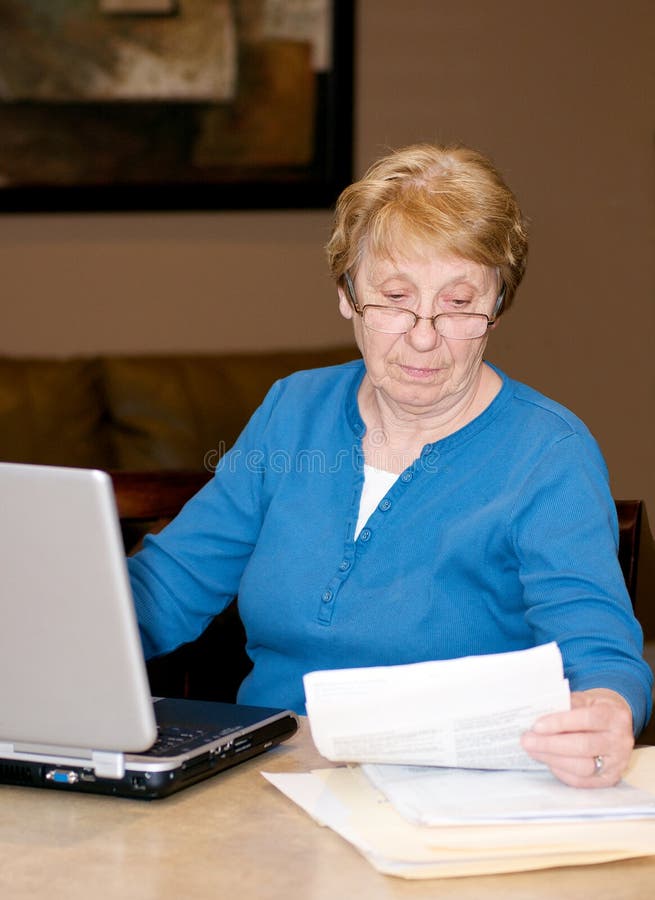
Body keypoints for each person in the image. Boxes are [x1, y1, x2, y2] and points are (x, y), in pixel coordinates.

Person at [128, 143, 652, 789]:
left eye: (458, 303)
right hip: (267, 777)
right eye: (395, 298)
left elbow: (597, 650)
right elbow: (165, 590)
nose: (423, 336)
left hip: (454, 789)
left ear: (497, 306)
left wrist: (604, 710)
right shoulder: (293, 410)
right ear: (347, 294)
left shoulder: (547, 453)